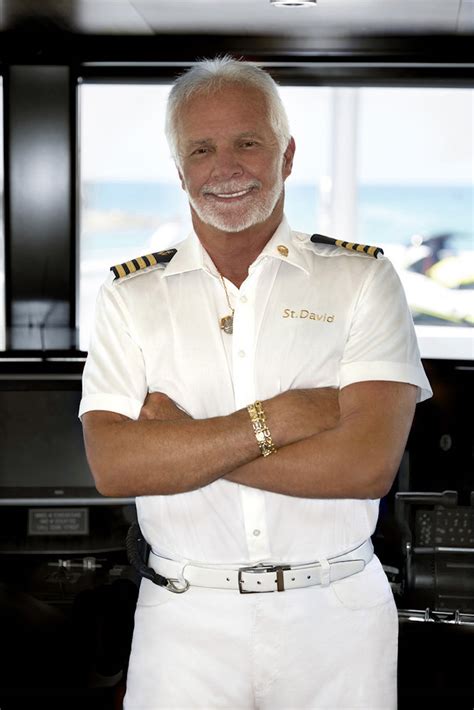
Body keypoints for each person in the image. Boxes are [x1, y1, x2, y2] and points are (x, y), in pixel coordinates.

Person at [79, 57, 432, 710]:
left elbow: (364, 467)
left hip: (337, 618)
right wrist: (282, 419)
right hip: (185, 621)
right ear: (179, 168)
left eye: (249, 142)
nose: (226, 167)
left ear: (287, 155)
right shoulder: (129, 295)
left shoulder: (362, 280)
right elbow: (115, 464)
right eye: (202, 149)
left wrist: (183, 446)